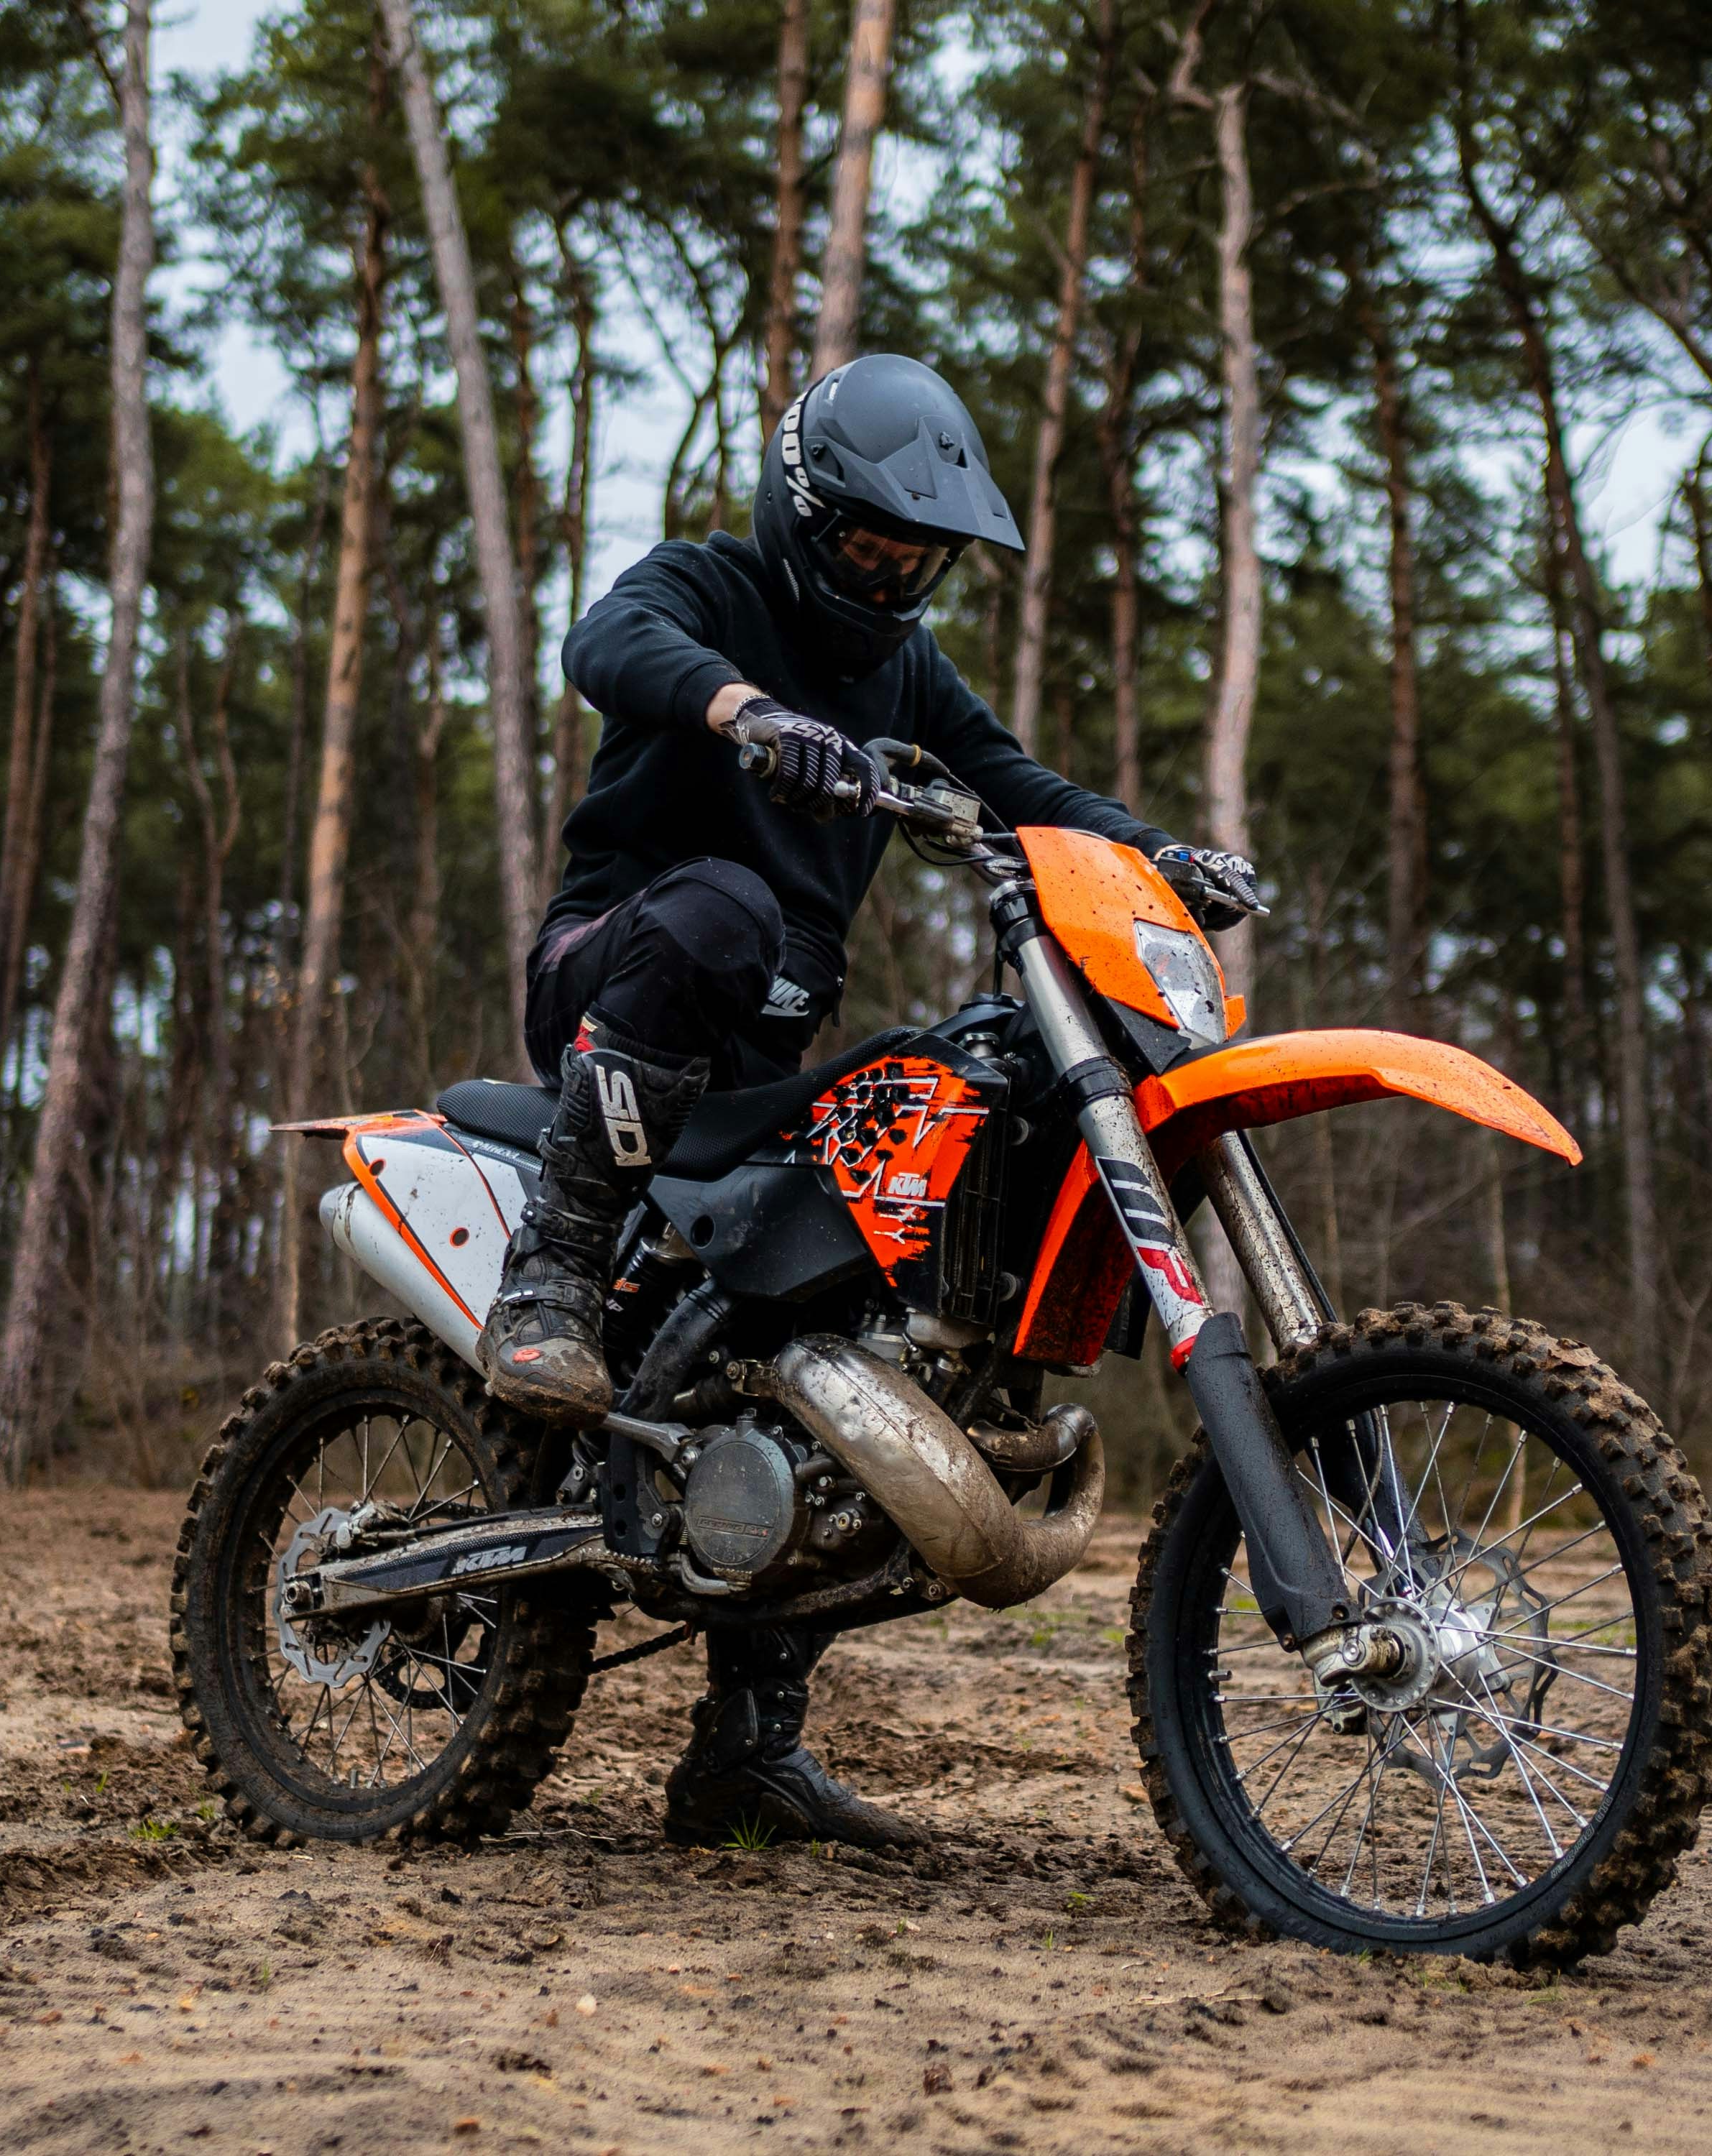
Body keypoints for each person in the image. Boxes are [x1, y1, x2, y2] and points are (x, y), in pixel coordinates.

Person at [499, 353, 1259, 1850]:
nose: (893, 570)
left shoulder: (905, 670)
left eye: (920, 553)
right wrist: (738, 712)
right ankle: (555, 1275)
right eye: (869, 541)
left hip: (761, 1049)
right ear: (804, 512)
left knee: (848, 1310)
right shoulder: (709, 588)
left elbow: (1015, 782)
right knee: (724, 907)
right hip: (619, 973)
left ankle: (747, 1752)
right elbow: (609, 639)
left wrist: (1165, 855)